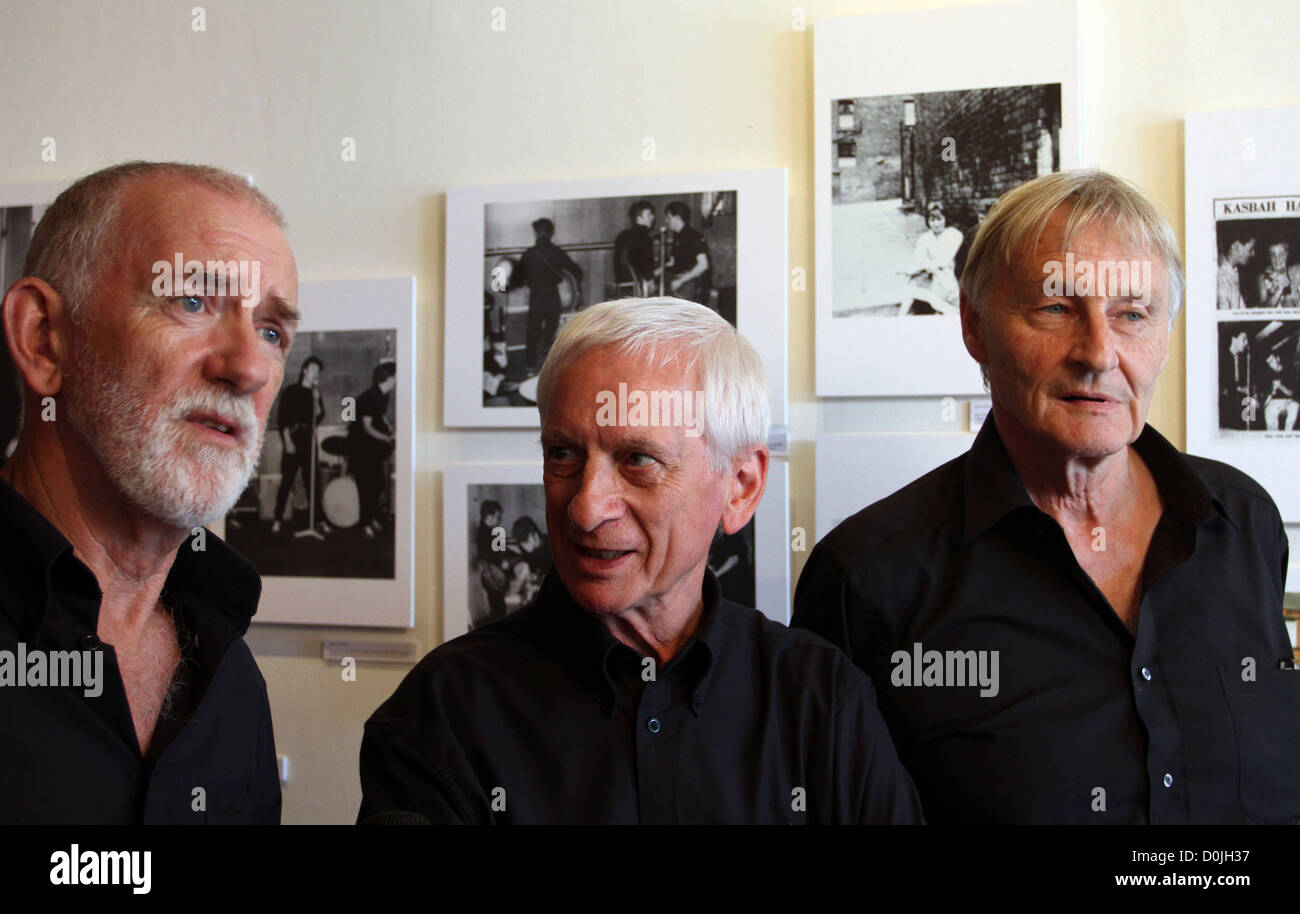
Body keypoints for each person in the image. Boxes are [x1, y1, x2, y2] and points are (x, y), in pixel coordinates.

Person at [793, 169, 1300, 824]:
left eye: (1132, 315)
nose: (1099, 354)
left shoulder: (1243, 522)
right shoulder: (866, 580)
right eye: (1057, 309)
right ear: (974, 326)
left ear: (1166, 337)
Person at [358, 297, 922, 824]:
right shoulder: (443, 713)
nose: (585, 508)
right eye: (563, 453)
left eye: (638, 459)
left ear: (741, 487)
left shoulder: (821, 702)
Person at [0, 161, 298, 823]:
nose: (250, 367)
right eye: (192, 301)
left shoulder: (231, 680)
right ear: (43, 338)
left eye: (272, 332)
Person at [504, 218, 583, 373]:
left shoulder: (529, 254)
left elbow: (518, 279)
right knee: (551, 331)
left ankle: (530, 366)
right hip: (553, 295)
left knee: (533, 330)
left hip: (536, 296)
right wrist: (575, 287)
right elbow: (577, 271)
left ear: (535, 233)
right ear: (551, 233)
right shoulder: (557, 252)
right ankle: (547, 366)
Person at [271, 355, 328, 534]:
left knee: (313, 481)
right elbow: (283, 419)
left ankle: (319, 520)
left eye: (318, 371)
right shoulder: (291, 391)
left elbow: (319, 416)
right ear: (305, 371)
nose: (316, 373)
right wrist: (287, 441)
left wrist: (317, 399)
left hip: (309, 440)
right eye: (313, 370)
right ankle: (277, 519)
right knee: (287, 480)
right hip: (293, 438)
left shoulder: (315, 393)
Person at [348, 361, 396, 539]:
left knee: (378, 484)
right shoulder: (370, 397)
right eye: (396, 376)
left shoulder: (384, 394)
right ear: (388, 378)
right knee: (366, 487)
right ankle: (365, 523)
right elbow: (367, 427)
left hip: (371, 448)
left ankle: (371, 518)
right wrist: (386, 438)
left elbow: (380, 415)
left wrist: (389, 428)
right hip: (360, 448)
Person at [901, 201, 962, 315]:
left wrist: (925, 264)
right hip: (931, 277)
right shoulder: (925, 238)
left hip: (947, 278)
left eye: (939, 219)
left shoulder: (954, 235)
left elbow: (943, 262)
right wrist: (922, 266)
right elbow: (917, 260)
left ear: (945, 219)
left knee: (936, 279)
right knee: (914, 281)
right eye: (932, 220)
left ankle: (949, 310)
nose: (936, 224)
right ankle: (900, 316)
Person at [663, 202, 711, 305]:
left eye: (669, 217)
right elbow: (673, 262)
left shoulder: (692, 236)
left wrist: (680, 281)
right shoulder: (679, 235)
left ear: (677, 218)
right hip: (682, 279)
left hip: (691, 283)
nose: (666, 221)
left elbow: (703, 265)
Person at [473, 500, 510, 628]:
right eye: (497, 517)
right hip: (491, 575)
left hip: (491, 573)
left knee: (498, 607)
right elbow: (487, 555)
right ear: (488, 516)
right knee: (498, 609)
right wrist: (501, 562)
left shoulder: (489, 531)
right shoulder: (484, 533)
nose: (499, 520)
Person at [612, 200, 656, 298]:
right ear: (639, 218)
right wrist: (650, 280)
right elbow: (646, 262)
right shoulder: (644, 237)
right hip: (638, 287)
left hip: (622, 285)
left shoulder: (622, 235)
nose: (652, 217)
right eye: (649, 214)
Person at [1217, 231, 1255, 310]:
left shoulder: (1234, 272)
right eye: (1250, 249)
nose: (1253, 254)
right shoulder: (1220, 276)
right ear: (1235, 246)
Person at [1257, 241, 1300, 309]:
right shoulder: (1263, 278)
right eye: (1273, 255)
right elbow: (1262, 309)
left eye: (1281, 255)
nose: (1277, 259)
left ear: (1287, 255)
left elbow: (1293, 306)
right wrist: (1280, 289)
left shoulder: (1296, 273)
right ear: (1269, 257)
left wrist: (1290, 284)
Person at [1263, 352, 1298, 431]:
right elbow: (1266, 399)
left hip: (1290, 401)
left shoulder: (1289, 371)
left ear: (1278, 359)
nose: (1271, 365)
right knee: (1269, 410)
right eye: (1269, 363)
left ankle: (1288, 434)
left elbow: (1291, 393)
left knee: (1295, 407)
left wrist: (1280, 386)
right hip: (1276, 402)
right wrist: (1271, 391)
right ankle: (1272, 435)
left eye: (1272, 361)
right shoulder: (1268, 375)